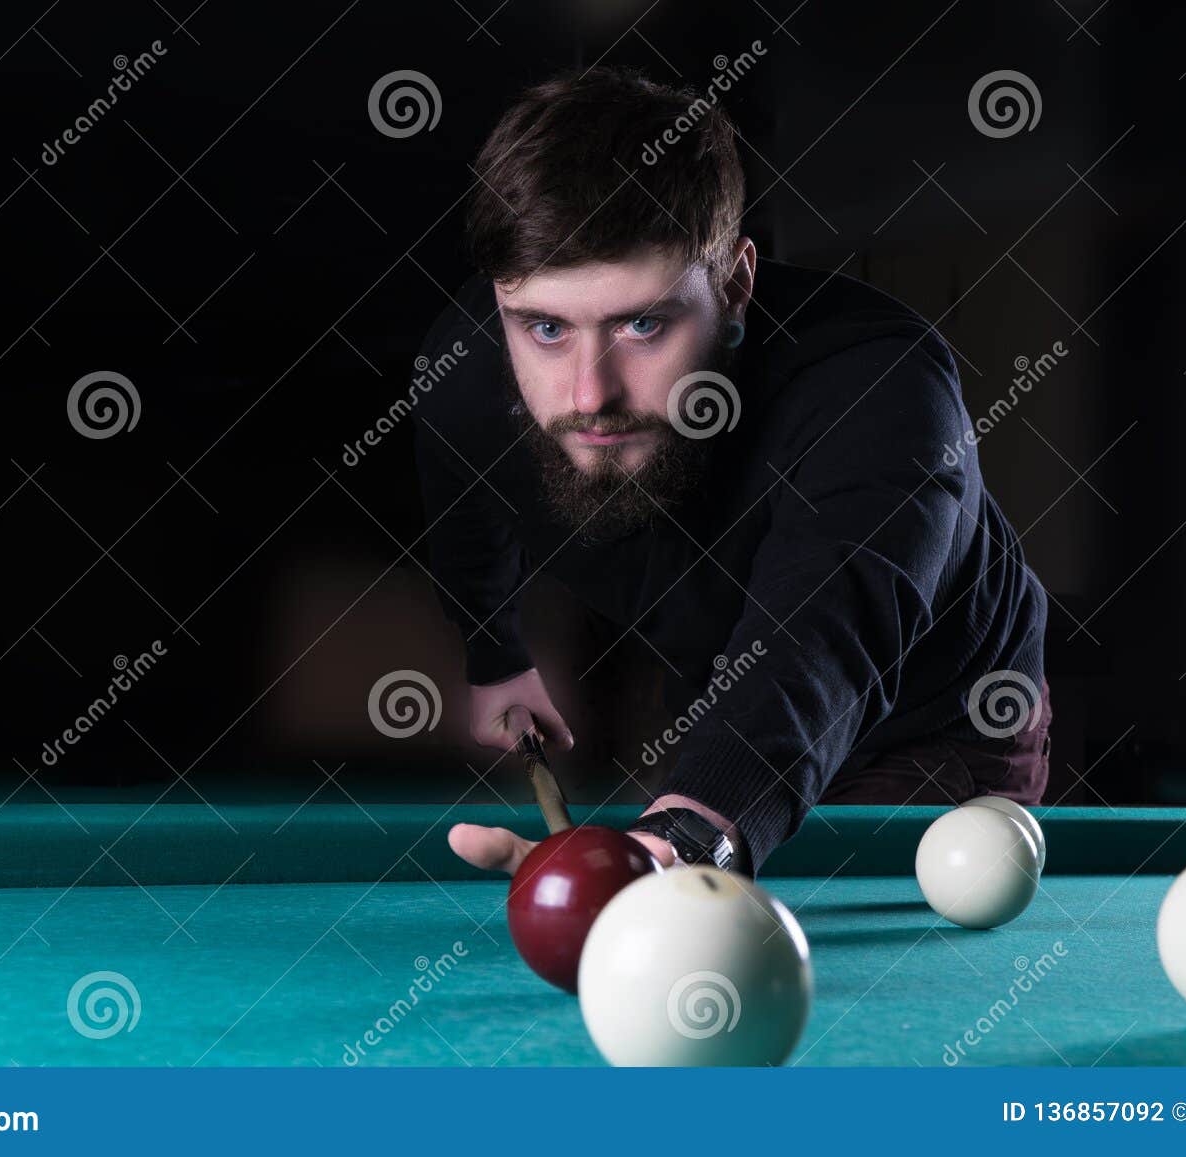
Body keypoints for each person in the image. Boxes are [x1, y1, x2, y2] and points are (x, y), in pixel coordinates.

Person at [413, 67, 1049, 878]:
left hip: (935, 724)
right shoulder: (466, 372)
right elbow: (465, 501)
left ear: (737, 284)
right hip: (725, 683)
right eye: (544, 327)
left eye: (643, 323)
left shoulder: (882, 394)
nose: (589, 393)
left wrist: (688, 835)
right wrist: (494, 652)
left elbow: (818, 643)